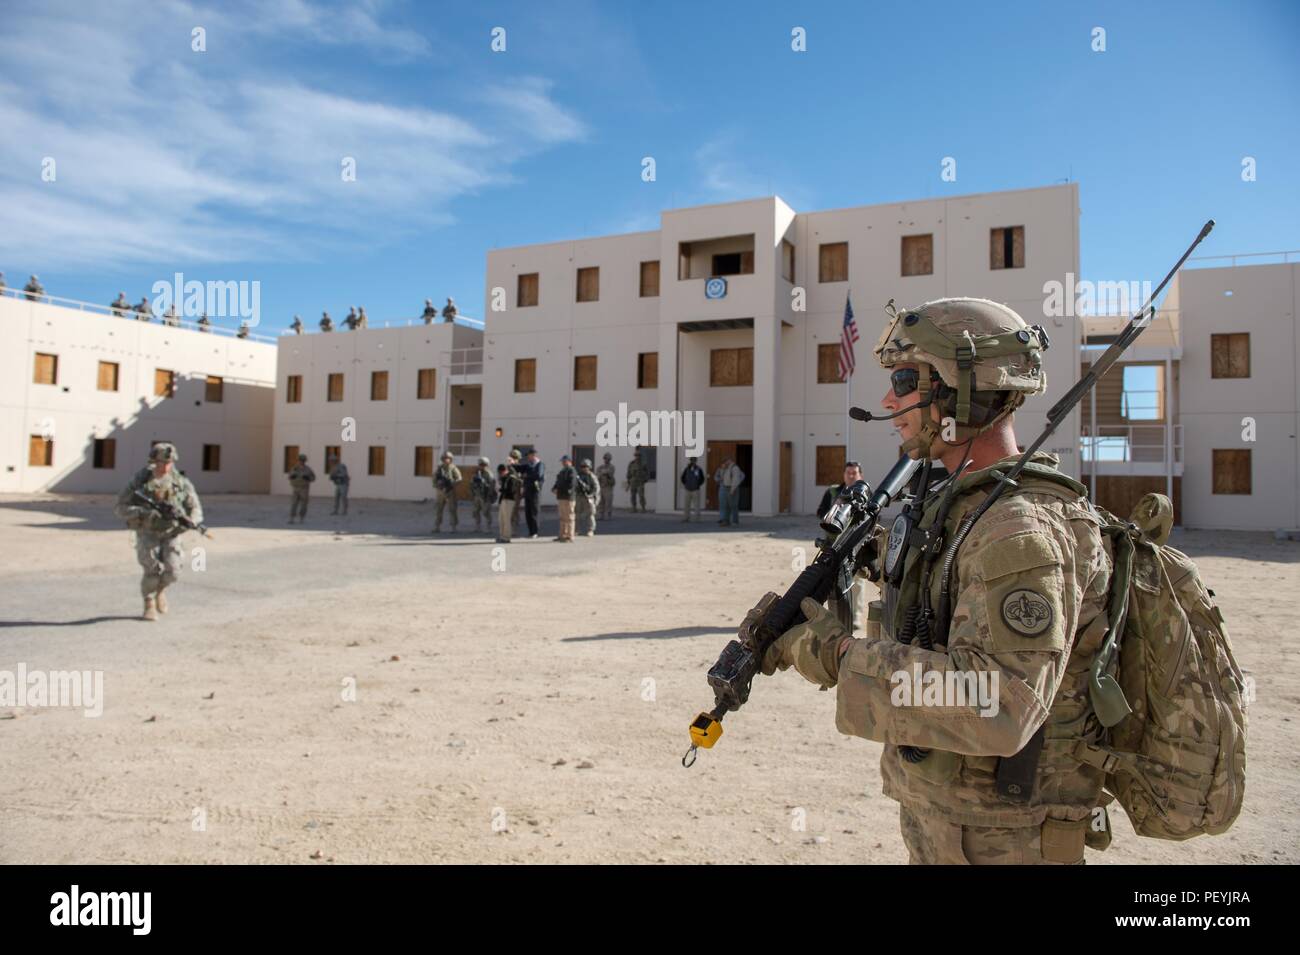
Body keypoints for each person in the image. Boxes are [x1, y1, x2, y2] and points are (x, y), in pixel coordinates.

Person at [759, 297, 1112, 865]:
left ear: (960, 390)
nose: (888, 400)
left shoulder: (1015, 528)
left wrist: (834, 652)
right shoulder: (960, 507)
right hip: (954, 824)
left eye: (904, 379)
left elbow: (999, 702)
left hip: (1005, 841)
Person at [113, 442, 204, 621]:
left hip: (171, 531)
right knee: (151, 570)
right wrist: (143, 513)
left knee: (174, 570)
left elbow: (196, 508)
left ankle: (161, 590)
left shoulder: (180, 482)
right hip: (148, 531)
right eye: (161, 463)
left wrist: (191, 520)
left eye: (169, 463)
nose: (165, 467)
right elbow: (119, 507)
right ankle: (149, 603)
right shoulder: (140, 482)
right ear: (153, 462)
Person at [432, 452, 462, 532]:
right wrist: (438, 485)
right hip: (441, 492)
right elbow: (434, 478)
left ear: (451, 459)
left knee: (452, 509)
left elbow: (459, 478)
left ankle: (453, 527)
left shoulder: (453, 468)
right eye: (445, 458)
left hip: (450, 491)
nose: (446, 460)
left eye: (448, 458)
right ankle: (437, 527)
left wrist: (452, 483)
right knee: (439, 509)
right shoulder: (439, 468)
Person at [552, 455, 577, 542]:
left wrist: (565, 490)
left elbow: (572, 484)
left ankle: (570, 536)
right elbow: (558, 482)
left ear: (569, 461)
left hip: (568, 497)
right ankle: (562, 535)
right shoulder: (562, 471)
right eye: (562, 461)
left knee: (569, 517)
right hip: (561, 497)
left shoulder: (572, 470)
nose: (562, 463)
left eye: (564, 461)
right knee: (562, 517)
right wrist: (554, 488)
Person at [496, 463, 523, 543]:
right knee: (501, 519)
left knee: (507, 519)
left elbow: (511, 490)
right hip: (503, 500)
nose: (501, 474)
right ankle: (502, 536)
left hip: (509, 500)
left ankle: (506, 537)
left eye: (502, 472)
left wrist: (500, 489)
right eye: (500, 473)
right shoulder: (504, 478)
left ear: (505, 470)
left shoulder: (511, 478)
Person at [520, 449, 544, 538]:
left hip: (535, 491)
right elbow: (520, 469)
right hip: (527, 491)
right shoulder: (528, 465)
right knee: (528, 512)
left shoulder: (539, 464)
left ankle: (535, 532)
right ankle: (530, 531)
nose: (528, 457)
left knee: (534, 512)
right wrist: (512, 463)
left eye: (529, 455)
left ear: (533, 455)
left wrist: (527, 476)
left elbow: (538, 475)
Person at [714, 457, 744, 526]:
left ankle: (735, 521)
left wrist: (733, 489)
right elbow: (718, 476)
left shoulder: (735, 468)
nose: (725, 463)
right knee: (725, 505)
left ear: (730, 461)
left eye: (726, 461)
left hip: (732, 488)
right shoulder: (724, 468)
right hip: (724, 487)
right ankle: (725, 521)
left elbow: (736, 479)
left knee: (733, 506)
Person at [470, 456, 497, 532]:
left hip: (485, 495)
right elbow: (471, 484)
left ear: (487, 465)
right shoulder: (476, 473)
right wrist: (472, 493)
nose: (482, 466)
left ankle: (489, 527)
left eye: (484, 465)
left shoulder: (489, 474)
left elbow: (492, 485)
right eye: (481, 464)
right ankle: (477, 526)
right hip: (477, 495)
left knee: (486, 512)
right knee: (476, 511)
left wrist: (488, 494)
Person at [287, 453, 315, 523]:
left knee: (304, 504)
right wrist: (292, 477)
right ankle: (291, 518)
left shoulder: (308, 469)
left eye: (303, 460)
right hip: (295, 488)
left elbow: (313, 478)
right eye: (300, 460)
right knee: (294, 504)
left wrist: (308, 478)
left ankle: (301, 518)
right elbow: (289, 476)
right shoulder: (294, 468)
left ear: (305, 461)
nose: (301, 461)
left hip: (304, 488)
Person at [575, 459, 600, 537]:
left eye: (586, 466)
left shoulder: (592, 476)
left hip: (588, 497)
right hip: (579, 497)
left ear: (589, 467)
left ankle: (590, 530)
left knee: (590, 514)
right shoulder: (578, 476)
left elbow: (596, 488)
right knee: (577, 514)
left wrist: (594, 497)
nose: (584, 468)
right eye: (582, 466)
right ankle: (576, 530)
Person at [680, 456, 705, 522]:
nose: (693, 462)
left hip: (696, 490)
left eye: (694, 460)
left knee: (697, 505)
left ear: (696, 461)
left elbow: (702, 479)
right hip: (687, 489)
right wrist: (686, 484)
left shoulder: (699, 469)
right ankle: (686, 518)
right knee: (686, 505)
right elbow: (682, 478)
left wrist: (697, 484)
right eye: (692, 460)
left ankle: (697, 519)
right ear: (690, 461)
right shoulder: (686, 469)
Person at [626, 447, 649, 512]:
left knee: (641, 495)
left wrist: (645, 480)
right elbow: (628, 472)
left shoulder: (643, 464)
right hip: (633, 481)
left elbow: (647, 473)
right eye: (636, 455)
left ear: (640, 456)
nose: (637, 457)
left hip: (640, 481)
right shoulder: (631, 464)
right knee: (633, 495)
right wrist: (628, 480)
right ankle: (634, 508)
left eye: (638, 456)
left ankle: (643, 508)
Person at [507, 448, 524, 532]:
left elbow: (522, 480)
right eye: (513, 457)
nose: (514, 459)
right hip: (508, 492)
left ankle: (513, 528)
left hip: (516, 492)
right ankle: (511, 527)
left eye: (515, 458)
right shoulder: (508, 467)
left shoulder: (520, 468)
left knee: (514, 510)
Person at [595, 452, 616, 520]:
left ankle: (608, 515)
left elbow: (609, 472)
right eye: (605, 459)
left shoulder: (611, 467)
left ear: (609, 459)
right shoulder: (601, 467)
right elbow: (598, 474)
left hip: (608, 486)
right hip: (601, 486)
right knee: (601, 502)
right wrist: (603, 472)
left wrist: (603, 472)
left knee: (608, 502)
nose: (606, 460)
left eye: (607, 459)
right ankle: (601, 515)